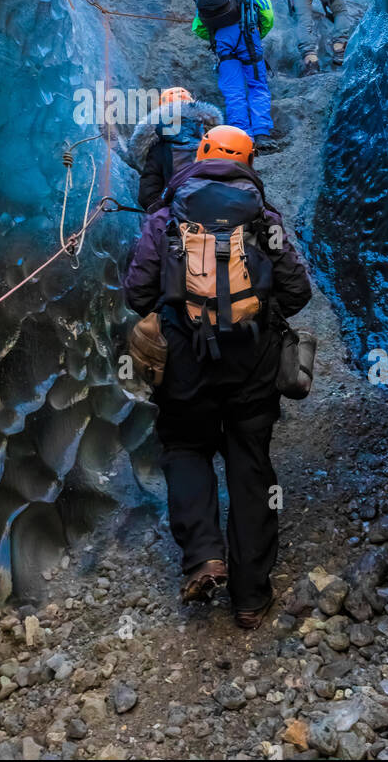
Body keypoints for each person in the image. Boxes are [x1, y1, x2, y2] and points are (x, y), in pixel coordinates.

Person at [123, 125, 312, 629]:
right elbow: (298, 292)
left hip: (185, 364)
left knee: (185, 449)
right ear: (249, 164)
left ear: (201, 153)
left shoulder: (165, 216)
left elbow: (137, 293)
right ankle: (250, 600)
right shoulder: (263, 217)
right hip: (252, 366)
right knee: (250, 468)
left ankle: (205, 554)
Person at [191, 0, 276, 149]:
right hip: (247, 33)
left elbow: (198, 26)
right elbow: (267, 13)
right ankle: (262, 134)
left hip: (222, 41)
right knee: (257, 85)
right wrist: (257, 33)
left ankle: (242, 137)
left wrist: (216, 37)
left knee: (233, 91)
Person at [127, 87, 222, 212]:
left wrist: (161, 211)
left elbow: (149, 190)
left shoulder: (157, 146)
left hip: (178, 213)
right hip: (217, 206)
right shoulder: (215, 138)